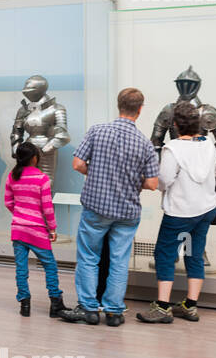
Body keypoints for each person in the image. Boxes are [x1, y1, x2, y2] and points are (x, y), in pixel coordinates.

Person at [60, 87, 159, 327]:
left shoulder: (97, 131)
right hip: (127, 212)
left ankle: (88, 308)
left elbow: (77, 164)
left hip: (96, 208)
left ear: (119, 105)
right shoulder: (145, 144)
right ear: (140, 110)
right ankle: (114, 312)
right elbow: (152, 184)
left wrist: (94, 173)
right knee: (119, 260)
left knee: (88, 257)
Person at [136, 102, 216, 323]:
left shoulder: (173, 148)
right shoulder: (209, 145)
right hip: (205, 210)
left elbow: (163, 180)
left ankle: (163, 306)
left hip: (181, 212)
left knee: (164, 254)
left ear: (174, 124)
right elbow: (215, 172)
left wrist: (162, 187)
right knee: (194, 253)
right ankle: (190, 305)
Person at [3, 142, 68, 318]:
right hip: (37, 230)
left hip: (18, 229)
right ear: (34, 158)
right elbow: (47, 207)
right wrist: (52, 228)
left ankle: (25, 305)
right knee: (50, 266)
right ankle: (55, 303)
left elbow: (8, 202)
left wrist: (19, 214)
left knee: (21, 268)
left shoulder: (12, 176)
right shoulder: (42, 178)